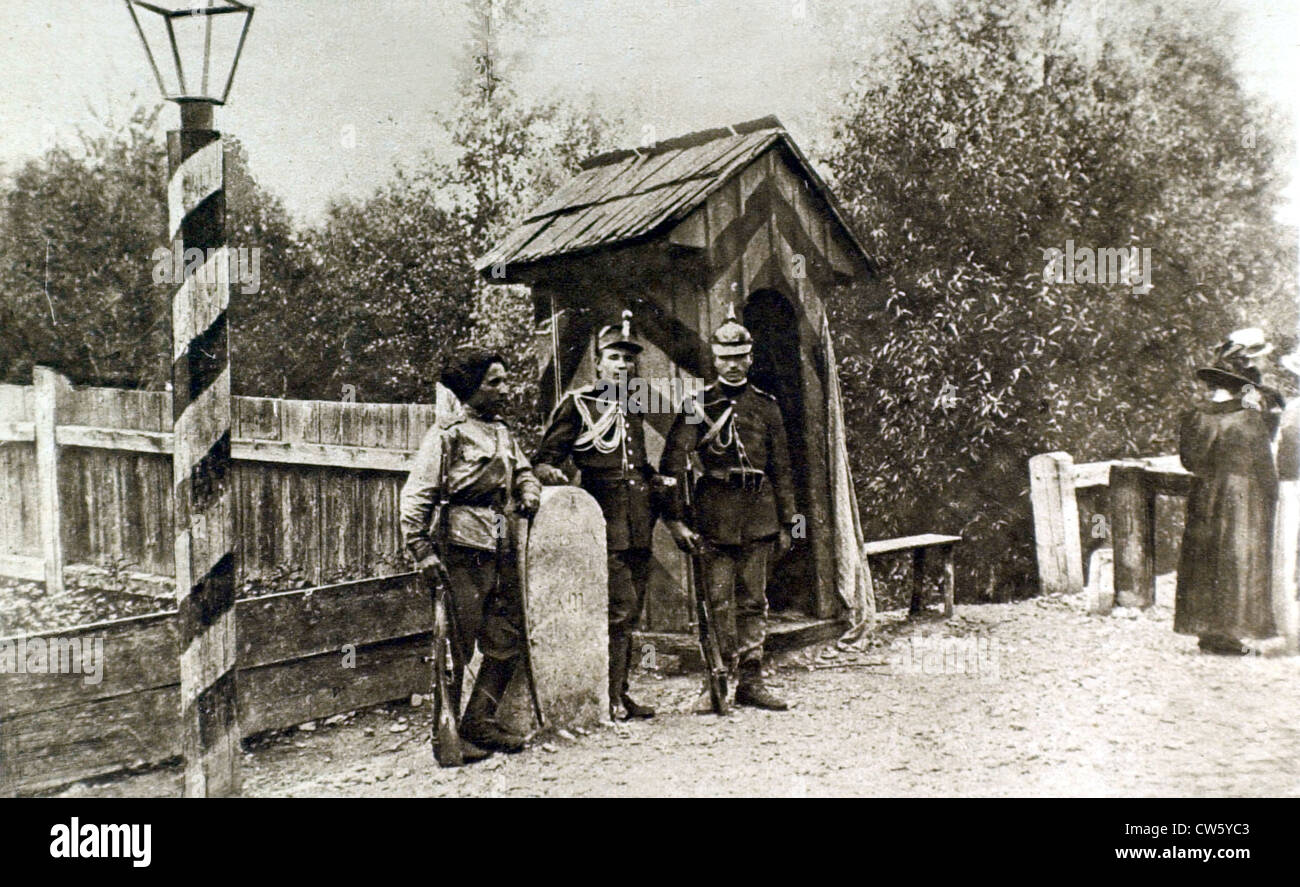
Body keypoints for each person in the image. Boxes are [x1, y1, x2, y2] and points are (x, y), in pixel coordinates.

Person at [399, 347, 541, 756]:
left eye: (503, 380)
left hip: (499, 549)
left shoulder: (501, 431)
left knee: (505, 638)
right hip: (460, 552)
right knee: (455, 648)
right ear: (470, 388)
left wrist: (529, 490)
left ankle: (479, 720)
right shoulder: (448, 434)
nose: (503, 389)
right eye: (493, 382)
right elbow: (416, 497)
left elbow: (524, 471)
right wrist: (422, 551)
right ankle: (446, 738)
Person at [659, 307, 796, 710]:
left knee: (754, 600)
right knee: (717, 601)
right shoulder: (697, 405)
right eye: (725, 358)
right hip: (713, 513)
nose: (733, 366)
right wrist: (676, 520)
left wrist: (789, 523)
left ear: (750, 359)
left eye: (741, 358)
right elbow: (671, 467)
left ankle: (751, 681)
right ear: (714, 360)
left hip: (759, 514)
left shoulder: (767, 406)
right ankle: (716, 680)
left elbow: (783, 468)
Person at [533, 311, 665, 721]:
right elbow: (542, 460)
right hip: (600, 519)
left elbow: (636, 463)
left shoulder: (633, 405)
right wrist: (553, 475)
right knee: (616, 609)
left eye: (629, 359)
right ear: (598, 362)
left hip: (639, 518)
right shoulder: (579, 404)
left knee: (632, 607)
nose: (623, 365)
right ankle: (603, 696)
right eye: (615, 358)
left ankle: (618, 693)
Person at [1174, 337, 1278, 654]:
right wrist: (1272, 497)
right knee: (1238, 561)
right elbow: (1263, 464)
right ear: (1239, 386)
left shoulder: (1195, 416)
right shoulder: (1248, 419)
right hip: (1243, 496)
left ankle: (1206, 632)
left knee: (1203, 558)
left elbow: (1189, 461)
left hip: (1205, 493)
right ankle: (1232, 634)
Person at [1272, 350, 1300, 652]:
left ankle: (1294, 630)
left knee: (1291, 554)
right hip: (1293, 485)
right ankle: (1294, 631)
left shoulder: (1292, 411)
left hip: (1293, 486)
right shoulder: (1292, 410)